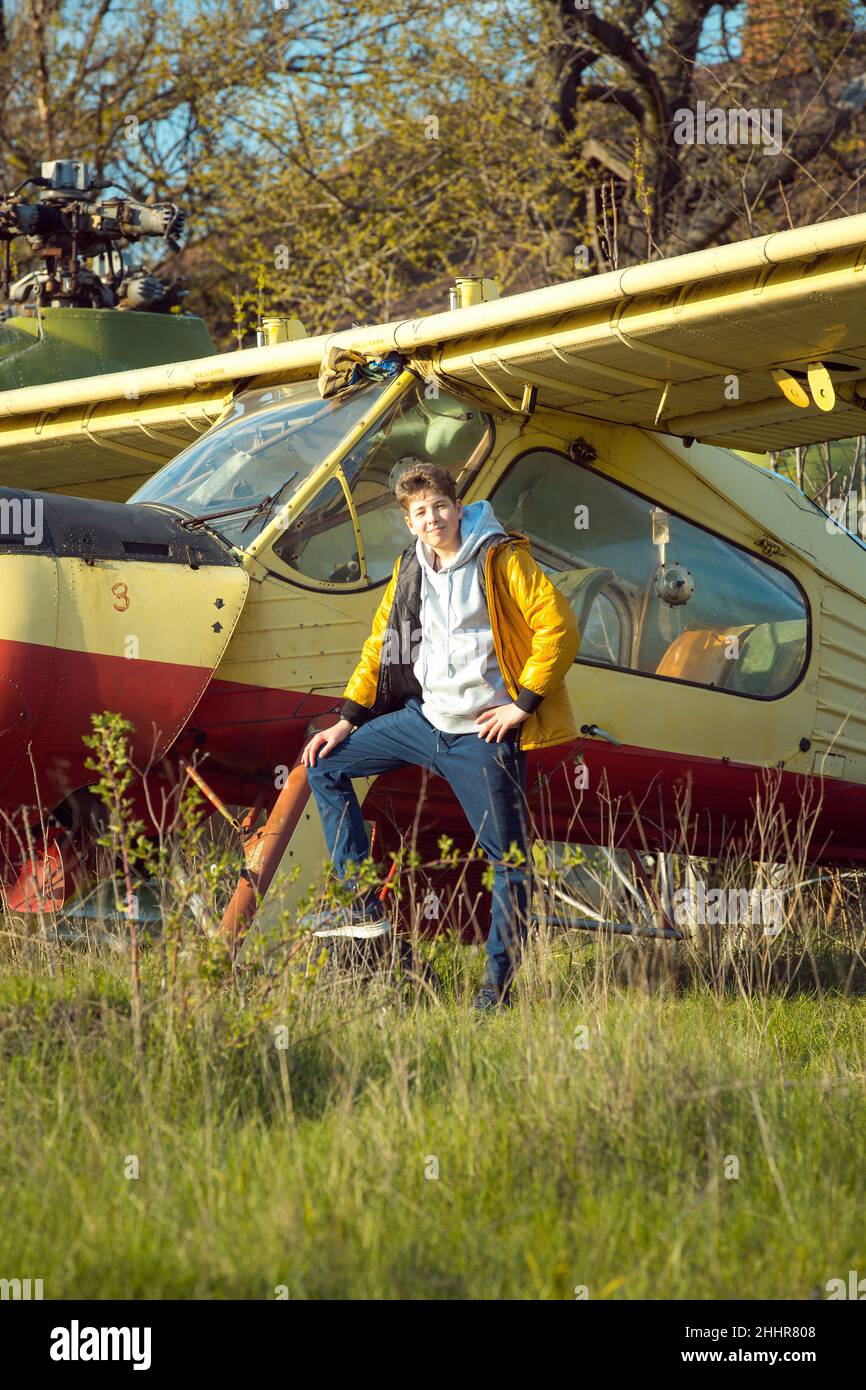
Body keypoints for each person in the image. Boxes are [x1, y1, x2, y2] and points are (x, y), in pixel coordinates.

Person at [301, 463, 580, 1011]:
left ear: (458, 506)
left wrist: (522, 705)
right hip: (423, 721)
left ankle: (494, 994)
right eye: (421, 512)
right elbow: (382, 643)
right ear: (409, 522)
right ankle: (360, 903)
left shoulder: (502, 557)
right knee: (325, 764)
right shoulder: (412, 566)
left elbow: (559, 626)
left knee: (511, 862)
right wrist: (347, 719)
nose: (434, 519)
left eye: (441, 507)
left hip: (482, 735)